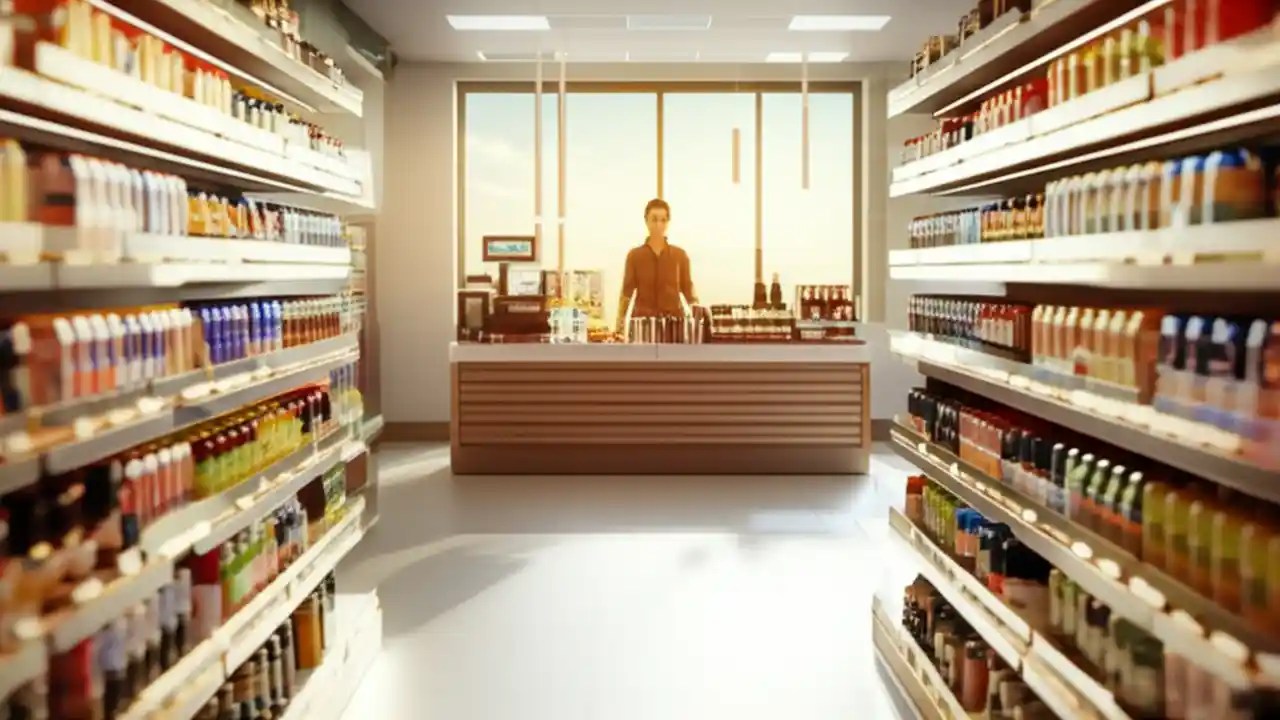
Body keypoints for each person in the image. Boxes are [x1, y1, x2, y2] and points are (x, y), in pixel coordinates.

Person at [616, 198, 697, 333]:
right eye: (654, 219)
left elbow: (689, 294)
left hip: (674, 327)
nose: (658, 225)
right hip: (642, 327)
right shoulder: (635, 256)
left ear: (668, 223)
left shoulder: (680, 256)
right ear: (646, 221)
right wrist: (620, 328)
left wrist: (696, 326)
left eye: (663, 220)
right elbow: (626, 296)